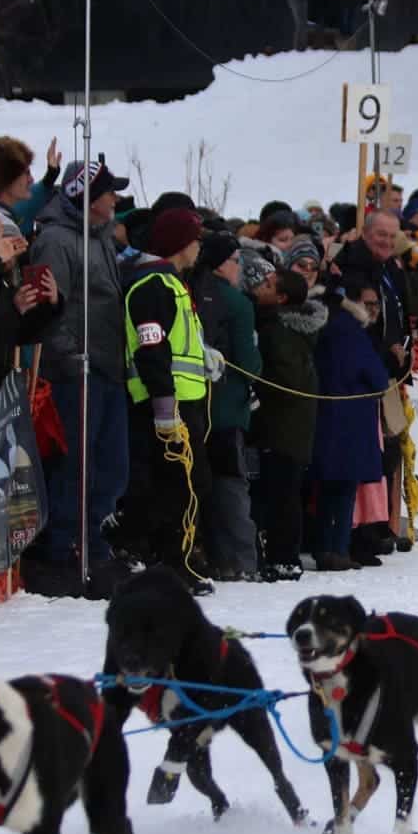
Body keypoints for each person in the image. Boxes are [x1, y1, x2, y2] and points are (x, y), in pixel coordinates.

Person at [27, 158, 133, 599]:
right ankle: (65, 545)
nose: (116, 198)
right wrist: (71, 357)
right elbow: (49, 309)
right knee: (77, 466)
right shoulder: (55, 239)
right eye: (109, 191)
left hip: (109, 368)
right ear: (87, 199)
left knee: (112, 468)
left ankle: (93, 541)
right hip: (76, 373)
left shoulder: (104, 238)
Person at [115, 207, 212, 593]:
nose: (199, 247)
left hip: (184, 401)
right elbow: (151, 349)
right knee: (182, 487)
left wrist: (206, 356)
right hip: (166, 406)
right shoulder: (153, 285)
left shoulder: (172, 284)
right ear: (178, 244)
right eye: (195, 239)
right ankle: (175, 565)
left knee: (183, 485)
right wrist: (165, 409)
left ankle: (167, 561)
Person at [306, 281, 389, 570]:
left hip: (317, 417)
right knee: (344, 490)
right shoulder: (352, 331)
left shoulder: (310, 324)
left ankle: (320, 546)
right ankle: (338, 549)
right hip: (351, 420)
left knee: (324, 489)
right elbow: (378, 378)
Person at [193, 233, 262, 581]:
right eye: (237, 261)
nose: (240, 268)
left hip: (190, 406)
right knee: (232, 487)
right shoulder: (237, 303)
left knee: (198, 488)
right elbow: (249, 362)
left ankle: (207, 554)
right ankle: (240, 561)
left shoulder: (189, 289)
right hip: (226, 408)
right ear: (222, 263)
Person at [250, 265, 322, 581]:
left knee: (282, 494)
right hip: (290, 425)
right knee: (283, 493)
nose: (259, 286)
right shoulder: (290, 328)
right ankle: (282, 554)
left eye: (267, 284)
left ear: (281, 297)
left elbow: (288, 378)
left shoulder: (278, 331)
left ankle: (284, 557)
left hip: (282, 426)